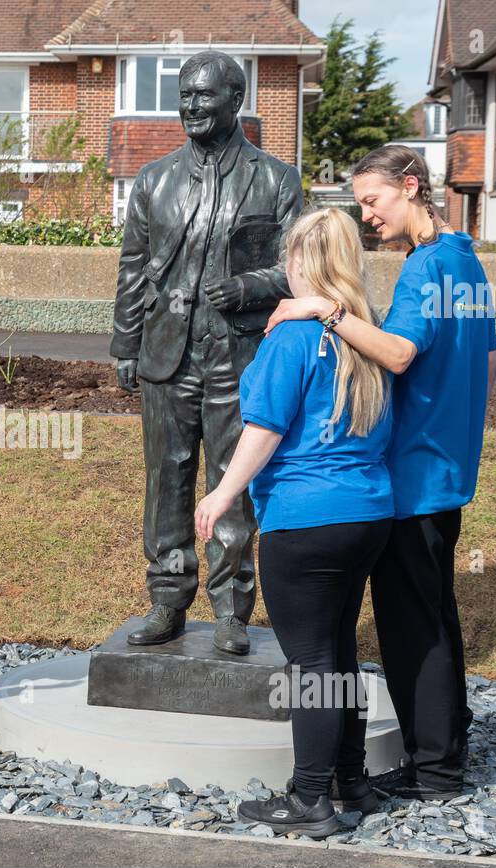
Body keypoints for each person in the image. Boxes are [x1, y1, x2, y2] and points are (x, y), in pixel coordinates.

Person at [266, 146, 496, 802]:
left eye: (373, 200)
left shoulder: (428, 269)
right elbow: (490, 359)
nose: (366, 215)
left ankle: (435, 771)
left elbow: (397, 353)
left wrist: (328, 312)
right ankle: (446, 752)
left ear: (411, 186)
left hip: (413, 478)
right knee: (437, 618)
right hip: (448, 473)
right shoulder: (466, 261)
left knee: (411, 630)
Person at [195, 207, 394, 836]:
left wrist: (222, 493)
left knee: (310, 666)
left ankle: (310, 799)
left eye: (287, 259)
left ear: (300, 263)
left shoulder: (292, 338)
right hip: (367, 515)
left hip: (304, 520)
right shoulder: (366, 336)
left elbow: (265, 428)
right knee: (338, 655)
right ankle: (350, 779)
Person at [111, 51, 303, 655]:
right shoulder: (153, 179)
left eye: (204, 96)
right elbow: (134, 269)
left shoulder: (275, 179)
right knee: (166, 479)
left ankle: (231, 609)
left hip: (240, 358)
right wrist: (124, 344)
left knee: (232, 482)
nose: (190, 106)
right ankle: (167, 598)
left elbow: (302, 269)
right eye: (184, 95)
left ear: (235, 99)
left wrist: (249, 287)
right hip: (168, 355)